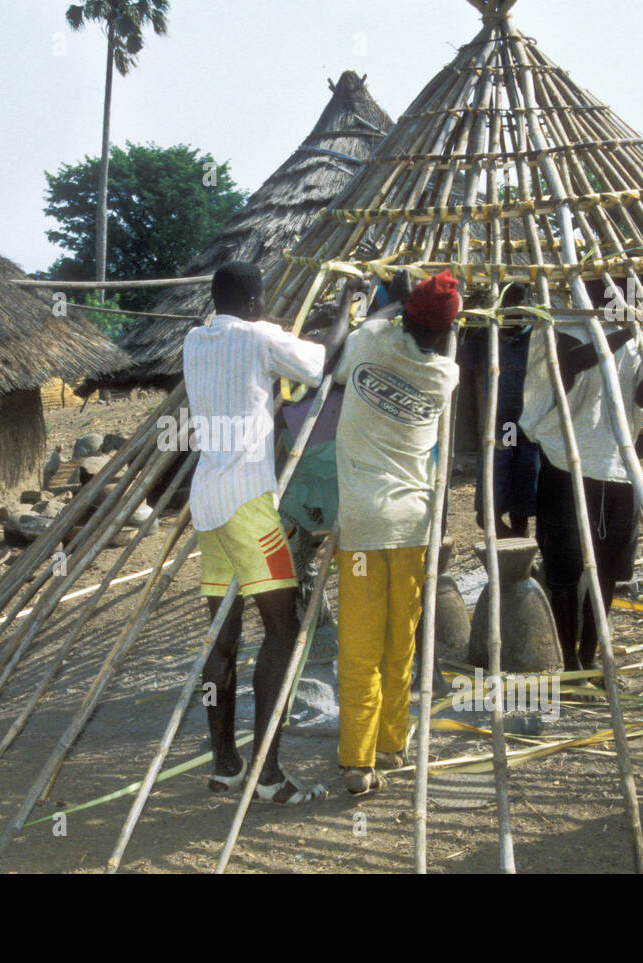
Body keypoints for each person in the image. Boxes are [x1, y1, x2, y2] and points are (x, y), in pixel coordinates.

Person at [183, 261, 348, 804]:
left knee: (221, 639)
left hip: (207, 503)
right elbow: (321, 363)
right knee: (284, 629)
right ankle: (268, 774)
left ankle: (226, 763)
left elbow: (254, 333)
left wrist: (280, 323)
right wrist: (345, 309)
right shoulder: (261, 338)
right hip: (250, 505)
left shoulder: (194, 339)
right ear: (256, 302)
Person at [519, 276, 643, 673]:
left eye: (627, 286)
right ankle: (568, 659)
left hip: (616, 464)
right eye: (610, 286)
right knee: (564, 566)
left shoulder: (638, 336)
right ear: (588, 288)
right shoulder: (561, 328)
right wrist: (626, 333)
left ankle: (589, 653)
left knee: (609, 565)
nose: (623, 293)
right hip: (566, 460)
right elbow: (572, 366)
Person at [333, 270, 461, 795]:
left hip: (362, 528)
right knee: (399, 641)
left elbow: (357, 337)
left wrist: (389, 300)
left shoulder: (367, 342)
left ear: (404, 313)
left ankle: (358, 761)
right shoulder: (446, 376)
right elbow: (428, 332)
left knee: (360, 645)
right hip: (413, 525)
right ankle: (391, 743)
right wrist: (415, 306)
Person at [459, 284, 540, 538]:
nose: (516, 319)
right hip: (502, 429)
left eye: (522, 312)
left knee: (521, 508)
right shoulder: (488, 336)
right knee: (488, 513)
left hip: (527, 428)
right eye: (511, 312)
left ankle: (518, 559)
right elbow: (462, 359)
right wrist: (470, 323)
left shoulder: (538, 335)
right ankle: (514, 552)